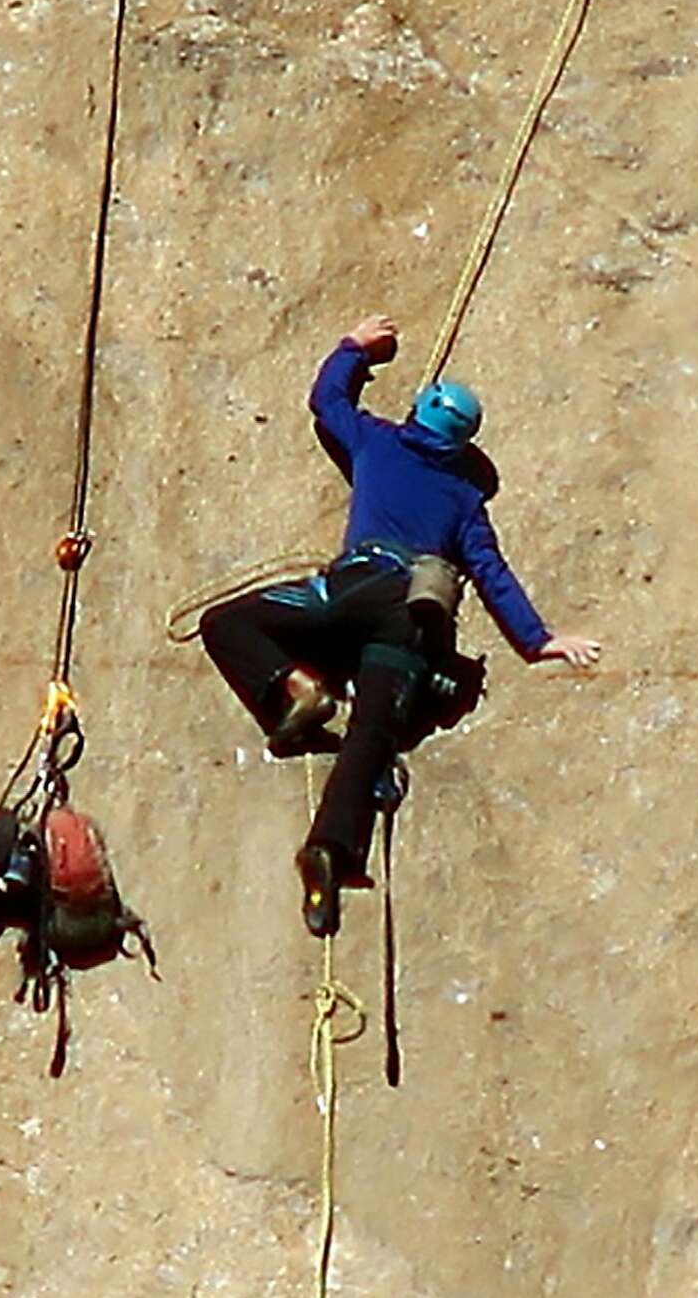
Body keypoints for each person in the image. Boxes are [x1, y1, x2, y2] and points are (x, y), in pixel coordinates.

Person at [199, 314, 601, 937]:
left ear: (418, 416)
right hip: (407, 612)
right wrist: (539, 640)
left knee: (224, 623)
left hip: (348, 587)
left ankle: (291, 688)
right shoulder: (465, 499)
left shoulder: (378, 442)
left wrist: (354, 348)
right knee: (371, 736)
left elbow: (326, 400)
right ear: (463, 445)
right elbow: (491, 572)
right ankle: (329, 851)